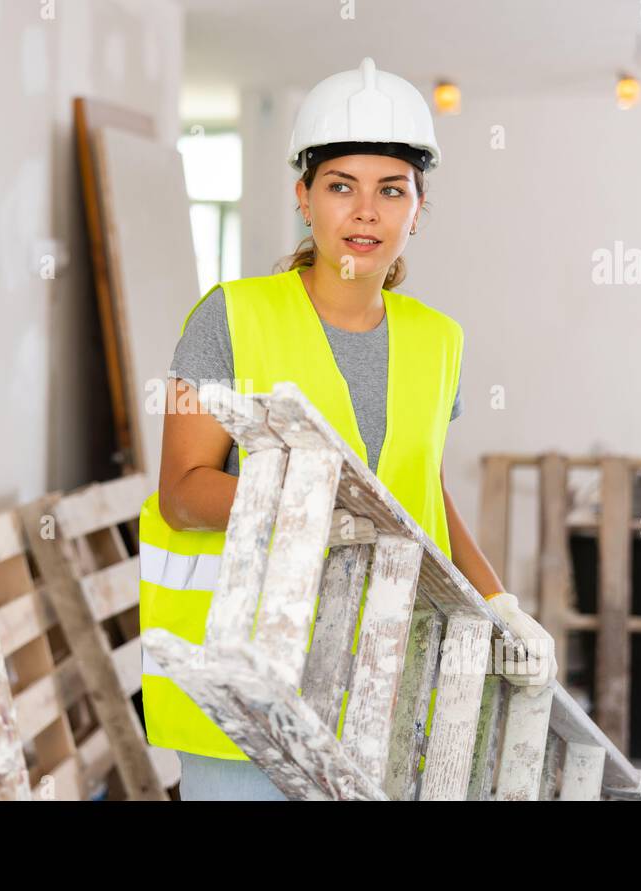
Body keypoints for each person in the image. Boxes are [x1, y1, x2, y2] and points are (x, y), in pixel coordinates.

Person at [138, 57, 557, 801]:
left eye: (391, 190)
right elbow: (181, 493)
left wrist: (499, 605)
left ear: (417, 208)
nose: (366, 213)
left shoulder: (440, 340)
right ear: (305, 198)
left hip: (382, 686)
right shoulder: (231, 316)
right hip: (248, 694)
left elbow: (416, 487)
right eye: (341, 187)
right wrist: (315, 510)